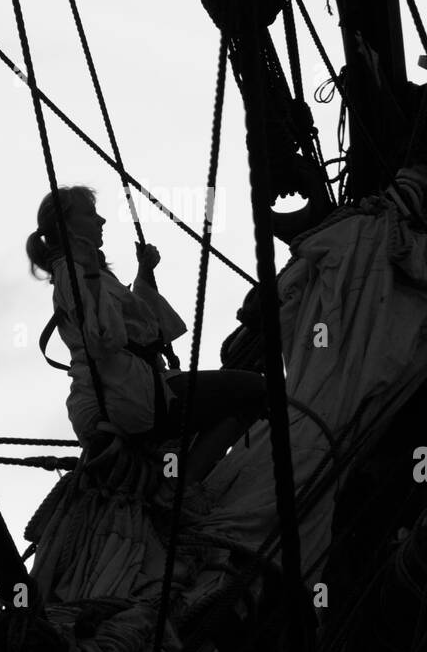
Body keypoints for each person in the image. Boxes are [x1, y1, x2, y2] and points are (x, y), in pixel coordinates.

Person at [26, 185, 267, 481]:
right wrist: (89, 275)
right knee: (256, 391)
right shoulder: (73, 272)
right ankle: (187, 484)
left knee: (235, 395)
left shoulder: (85, 272)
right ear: (67, 226)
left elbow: (137, 327)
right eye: (90, 214)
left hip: (133, 390)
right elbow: (103, 340)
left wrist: (144, 272)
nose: (101, 220)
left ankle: (185, 475)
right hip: (124, 397)